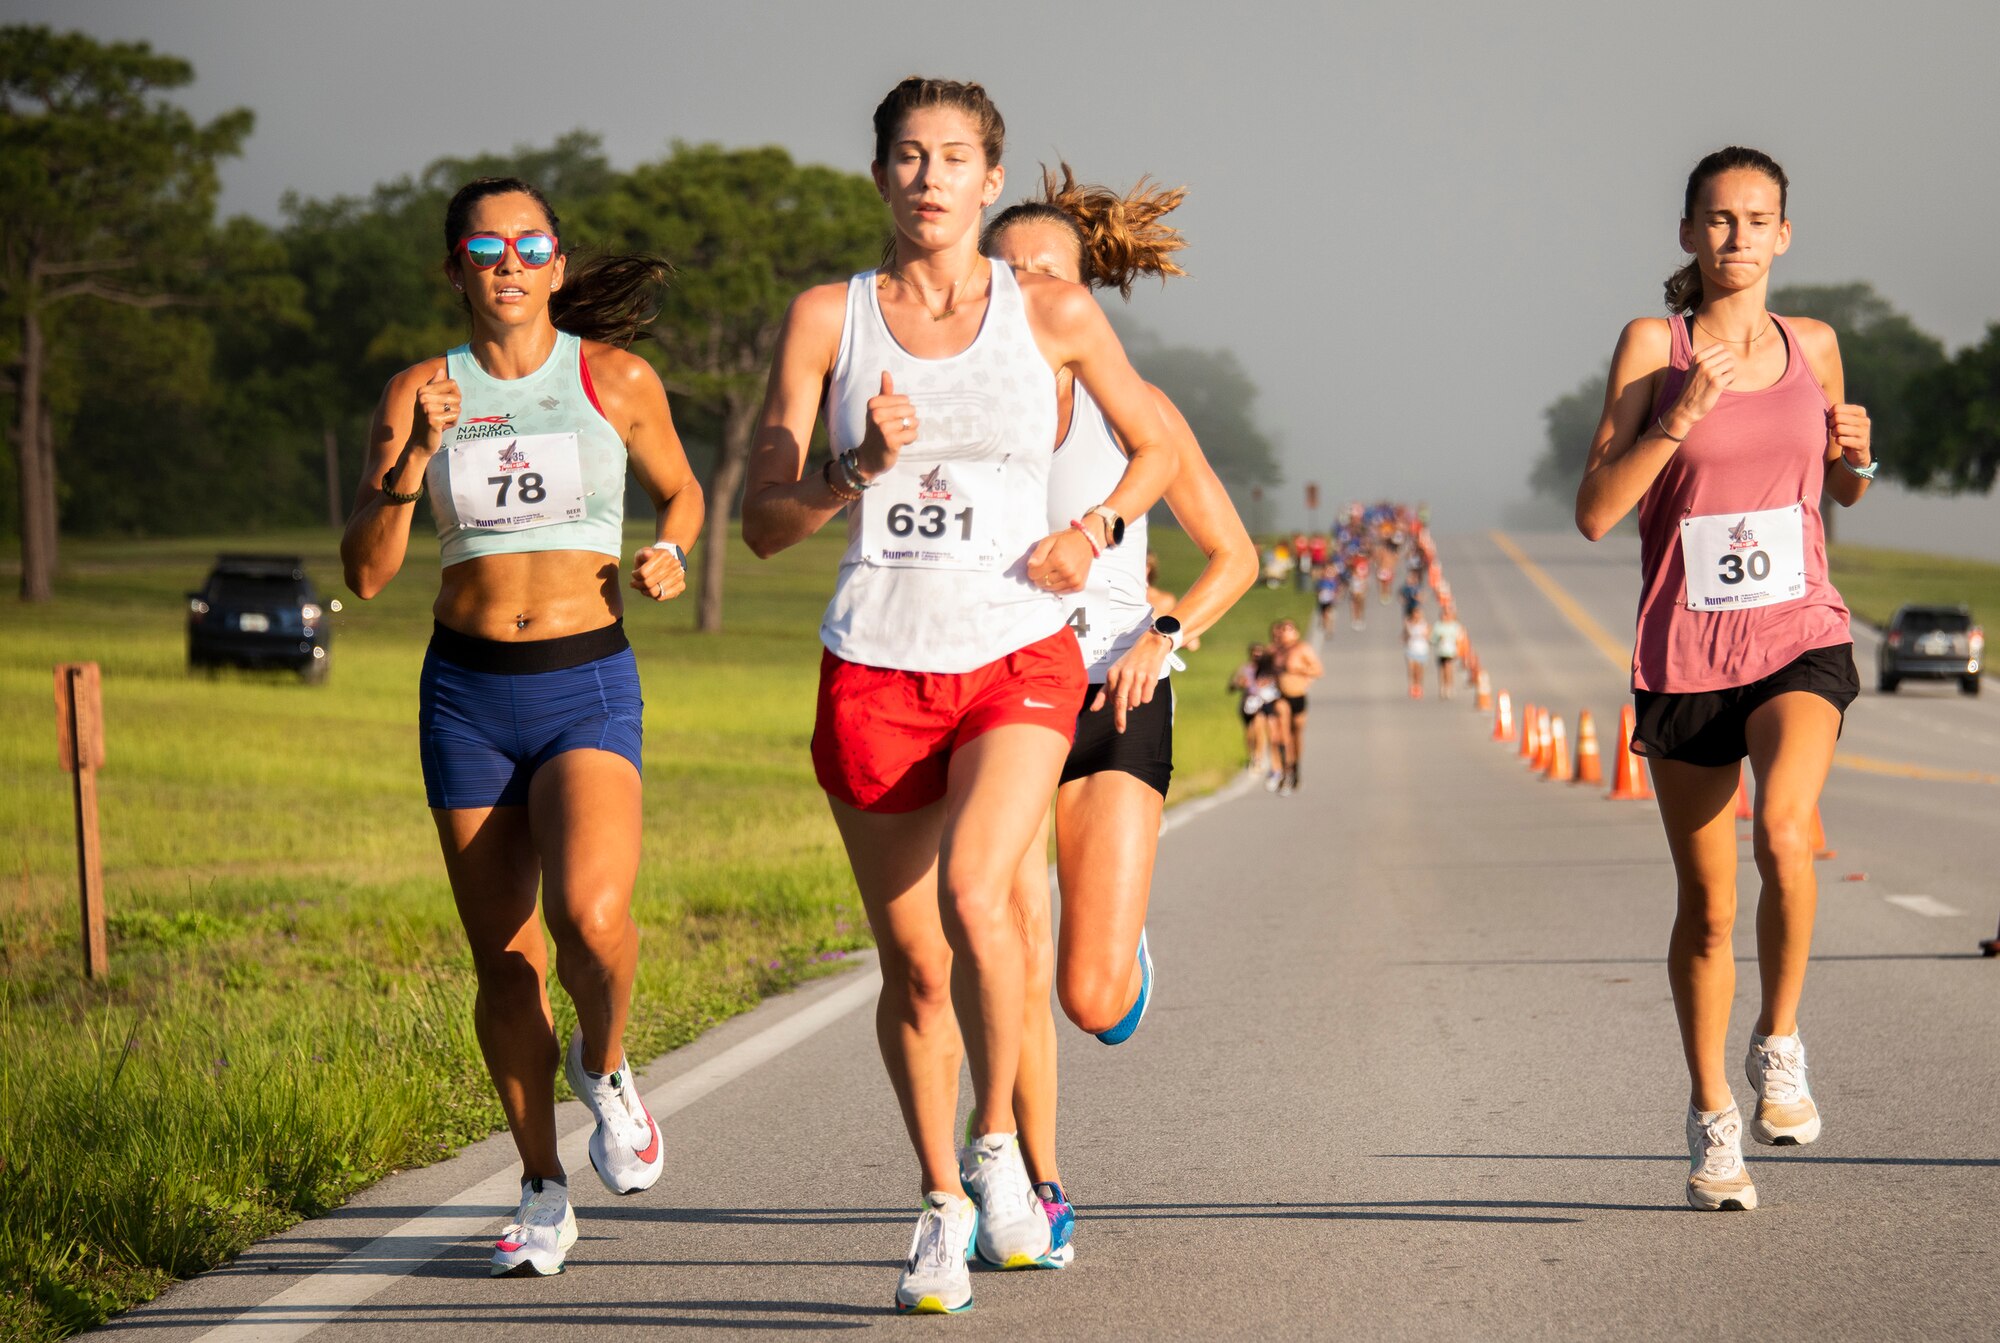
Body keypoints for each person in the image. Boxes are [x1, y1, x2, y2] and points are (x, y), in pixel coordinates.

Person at [738, 77, 1178, 1315]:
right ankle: (938, 1201)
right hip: (875, 664)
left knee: (983, 892)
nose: (928, 176)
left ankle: (999, 1147)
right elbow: (763, 521)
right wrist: (854, 466)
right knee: (916, 966)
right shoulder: (827, 318)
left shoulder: (1049, 312)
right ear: (879, 174)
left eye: (952, 157)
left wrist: (1092, 531)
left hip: (1016, 655)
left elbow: (1153, 446)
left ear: (989, 182)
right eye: (907, 155)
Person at [339, 177, 703, 1277]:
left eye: (530, 244)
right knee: (504, 959)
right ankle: (543, 1185)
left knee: (593, 916)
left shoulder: (613, 378)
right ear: (455, 267)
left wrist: (670, 550)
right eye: (486, 246)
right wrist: (413, 460)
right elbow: (364, 575)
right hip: (466, 694)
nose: (509, 261)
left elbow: (682, 492)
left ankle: (606, 1061)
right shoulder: (417, 390)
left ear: (556, 264)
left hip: (584, 678)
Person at [1574, 146, 1872, 1212]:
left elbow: (1837, 489)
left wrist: (1857, 457)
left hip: (1799, 632)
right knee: (1706, 910)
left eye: (1755, 219)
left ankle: (1778, 1042)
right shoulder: (1651, 346)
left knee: (1785, 833)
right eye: (1716, 217)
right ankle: (1711, 1117)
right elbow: (1595, 510)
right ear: (1687, 232)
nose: (1735, 236)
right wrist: (1678, 415)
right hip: (1686, 653)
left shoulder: (1814, 345)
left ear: (1783, 234)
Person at [983, 167, 1258, 1265]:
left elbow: (1233, 557)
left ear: (1084, 291)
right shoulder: (955, 408)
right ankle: (1036, 1184)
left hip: (1114, 689)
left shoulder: (1134, 410)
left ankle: (1118, 950)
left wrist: (1164, 633)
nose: (1024, 291)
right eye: (1004, 273)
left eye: (1045, 272)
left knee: (1089, 995)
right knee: (1010, 948)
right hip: (1000, 696)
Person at [1270, 617, 1322, 792]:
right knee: (1282, 733)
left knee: (1296, 733)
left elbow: (1318, 670)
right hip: (1281, 696)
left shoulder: (1302, 649)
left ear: (1296, 633)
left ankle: (1296, 766)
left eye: (1289, 629)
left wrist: (1298, 669)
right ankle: (1286, 768)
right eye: (1283, 629)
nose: (1285, 633)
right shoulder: (1275, 651)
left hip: (1298, 696)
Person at [1230, 642, 1276, 774]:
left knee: (1258, 728)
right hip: (1247, 703)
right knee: (1249, 733)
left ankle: (1258, 757)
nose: (1257, 655)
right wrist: (1239, 683)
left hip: (1261, 702)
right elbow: (1231, 686)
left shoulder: (1268, 669)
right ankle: (1252, 754)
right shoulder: (1244, 669)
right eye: (1254, 653)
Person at [1431, 600, 1465, 700]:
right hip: (1441, 651)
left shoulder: (1455, 626)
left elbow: (1460, 638)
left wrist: (1458, 649)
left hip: (1450, 651)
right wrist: (1438, 638)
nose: (1444, 616)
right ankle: (1443, 687)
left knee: (1448, 668)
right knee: (1442, 670)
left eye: (1446, 614)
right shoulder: (1438, 625)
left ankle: (1450, 686)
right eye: (1443, 614)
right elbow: (1432, 639)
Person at [1402, 606, 1430, 699]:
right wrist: (1406, 634)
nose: (1417, 615)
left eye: (1419, 613)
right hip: (1411, 649)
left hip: (1421, 650)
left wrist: (1425, 635)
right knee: (1411, 670)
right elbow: (1404, 636)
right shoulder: (1408, 624)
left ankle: (1419, 686)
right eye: (1415, 613)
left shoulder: (1424, 624)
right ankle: (1413, 686)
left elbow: (1428, 636)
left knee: (1419, 671)